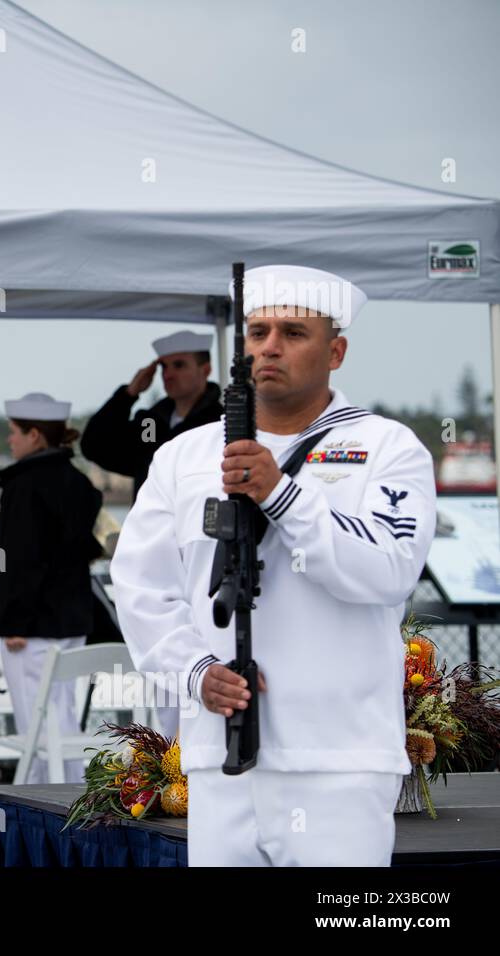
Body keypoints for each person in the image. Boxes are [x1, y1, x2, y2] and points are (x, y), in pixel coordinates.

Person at [110, 265, 435, 866]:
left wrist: (281, 495)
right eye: (257, 332)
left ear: (335, 351)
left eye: (293, 331)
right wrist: (195, 671)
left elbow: (389, 568)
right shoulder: (186, 456)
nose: (270, 347)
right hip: (221, 757)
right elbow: (140, 587)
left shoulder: (388, 448)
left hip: (337, 759)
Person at [0, 393, 102, 783]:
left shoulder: (24, 486)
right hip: (72, 621)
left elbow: (21, 560)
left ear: (35, 436)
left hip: (31, 626)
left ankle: (49, 809)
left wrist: (12, 619)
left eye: (14, 433)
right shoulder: (80, 484)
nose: (10, 440)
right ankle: (73, 802)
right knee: (62, 716)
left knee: (36, 726)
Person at [81, 330, 224, 500]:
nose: (168, 375)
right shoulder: (151, 424)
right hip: (149, 525)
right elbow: (94, 446)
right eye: (164, 367)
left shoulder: (220, 423)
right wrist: (128, 394)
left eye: (179, 365)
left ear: (205, 370)